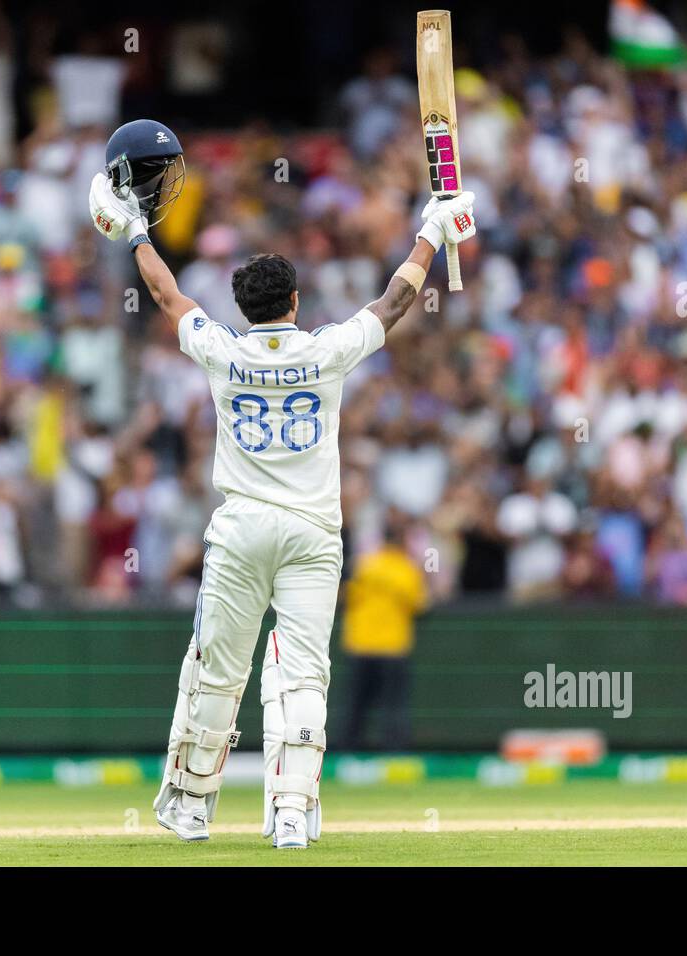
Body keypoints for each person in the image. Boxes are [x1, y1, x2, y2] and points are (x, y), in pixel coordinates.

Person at [89, 118, 476, 848]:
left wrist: (137, 232)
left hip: (240, 530)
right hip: (311, 534)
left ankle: (193, 806)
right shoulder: (327, 351)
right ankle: (291, 812)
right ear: (294, 303)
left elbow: (169, 296)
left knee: (216, 669)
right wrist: (433, 230)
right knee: (303, 673)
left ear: (248, 309)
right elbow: (394, 304)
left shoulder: (224, 354)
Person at [340, 518, 429, 751]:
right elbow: (420, 605)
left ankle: (347, 751)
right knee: (394, 706)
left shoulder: (363, 565)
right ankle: (394, 752)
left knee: (355, 705)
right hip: (393, 647)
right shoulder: (407, 569)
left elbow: (345, 596)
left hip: (360, 644)